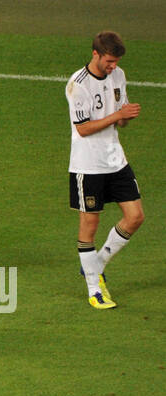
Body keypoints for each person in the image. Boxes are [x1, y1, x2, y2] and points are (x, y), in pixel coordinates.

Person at [68, 31, 143, 310]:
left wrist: (125, 117)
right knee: (90, 225)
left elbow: (119, 117)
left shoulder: (118, 75)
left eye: (116, 62)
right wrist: (117, 116)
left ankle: (96, 264)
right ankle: (94, 289)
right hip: (87, 166)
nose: (113, 66)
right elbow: (83, 128)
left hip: (116, 160)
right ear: (96, 54)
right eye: (110, 61)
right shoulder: (78, 85)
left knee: (135, 217)